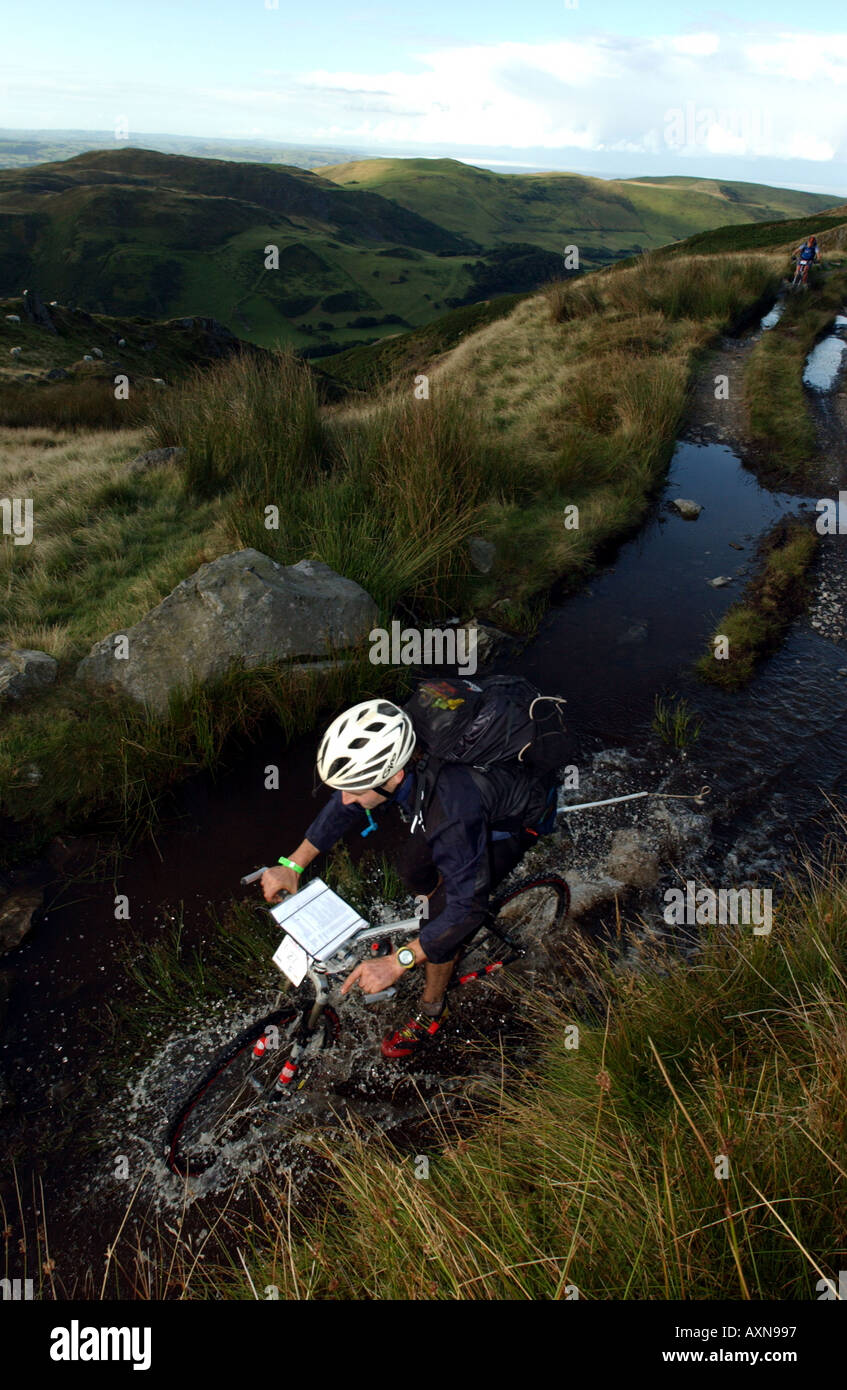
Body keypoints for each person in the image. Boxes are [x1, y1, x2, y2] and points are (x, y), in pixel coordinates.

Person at [261, 698, 554, 1058]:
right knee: (411, 870)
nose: (346, 800)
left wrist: (399, 960)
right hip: (453, 803)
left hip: (510, 823)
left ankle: (433, 1009)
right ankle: (435, 929)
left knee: (449, 925)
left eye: (356, 790)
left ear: (395, 775)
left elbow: (470, 907)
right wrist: (293, 864)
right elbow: (343, 804)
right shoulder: (398, 746)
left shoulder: (451, 812)